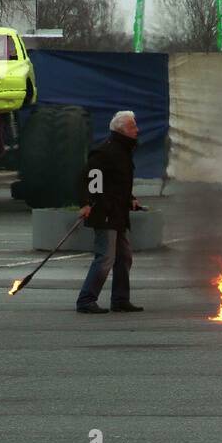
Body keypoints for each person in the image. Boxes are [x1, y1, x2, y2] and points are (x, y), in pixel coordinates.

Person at [76, 111, 144, 314]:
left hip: (118, 214)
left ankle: (120, 300)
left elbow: (118, 182)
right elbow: (89, 177)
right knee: (105, 257)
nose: (137, 130)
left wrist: (130, 198)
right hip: (104, 212)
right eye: (133, 127)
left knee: (124, 257)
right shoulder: (106, 151)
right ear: (122, 130)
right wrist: (87, 202)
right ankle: (86, 300)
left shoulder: (122, 150)